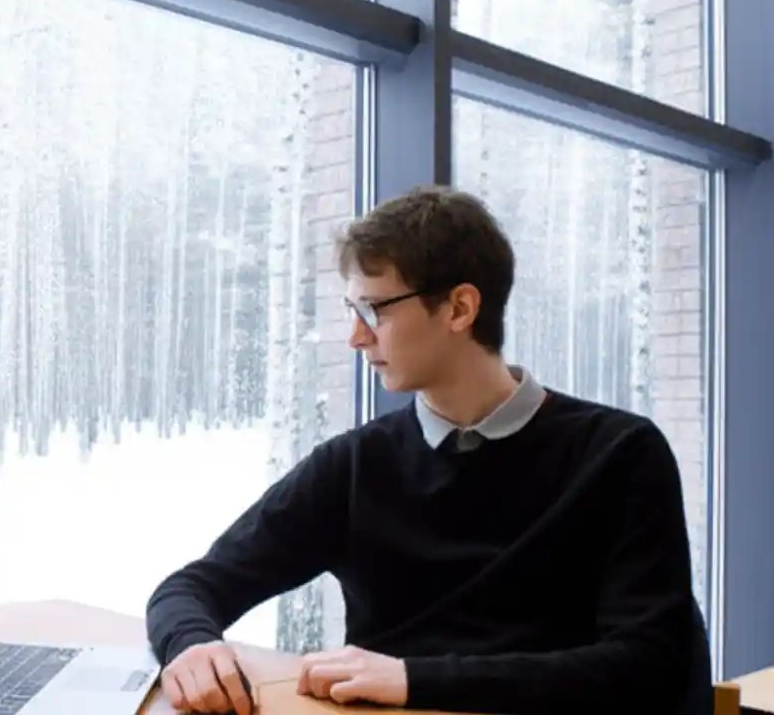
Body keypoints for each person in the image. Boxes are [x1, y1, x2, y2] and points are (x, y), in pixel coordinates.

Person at [144, 185, 710, 714]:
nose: (356, 337)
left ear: (460, 309)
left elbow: (649, 666)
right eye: (353, 312)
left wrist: (413, 678)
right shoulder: (355, 465)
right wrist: (190, 645)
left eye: (375, 310)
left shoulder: (620, 454)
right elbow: (192, 588)